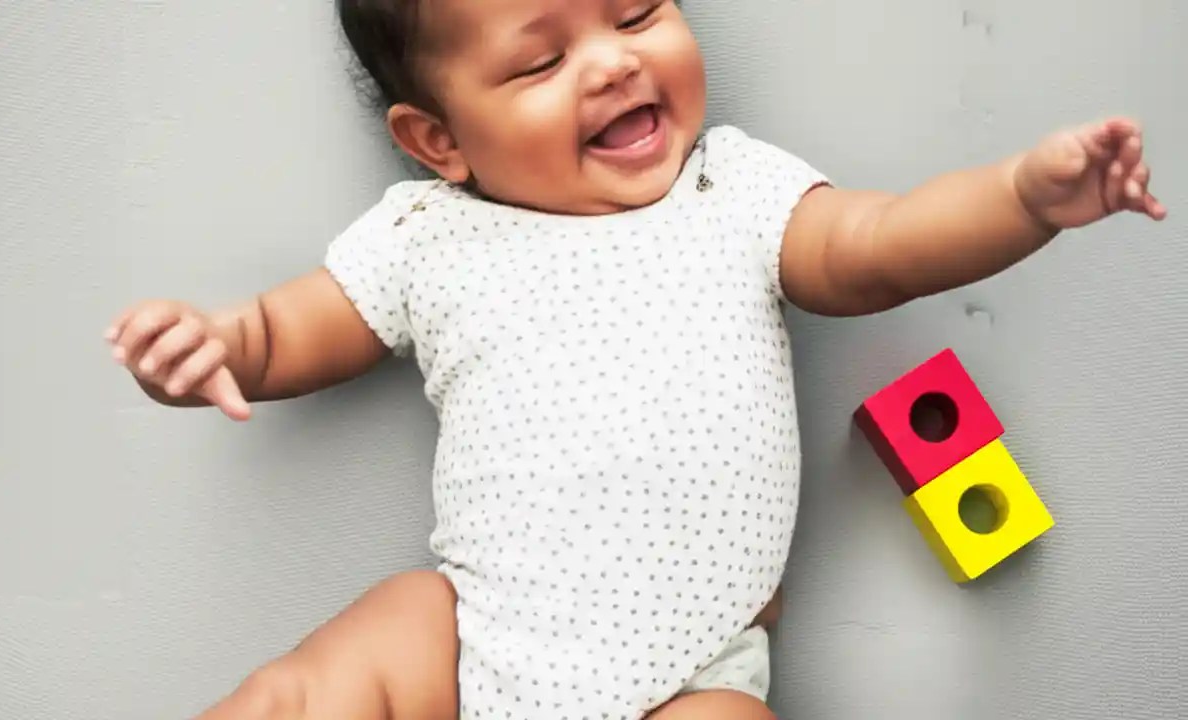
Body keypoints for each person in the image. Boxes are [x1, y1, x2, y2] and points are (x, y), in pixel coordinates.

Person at [104, 1, 1166, 718]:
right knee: (314, 685)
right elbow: (297, 327)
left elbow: (875, 247)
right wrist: (219, 344)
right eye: (539, 59)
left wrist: (1020, 200)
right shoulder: (422, 235)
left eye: (636, 12)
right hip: (473, 641)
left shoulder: (730, 193)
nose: (612, 62)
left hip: (693, 673)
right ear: (439, 142)